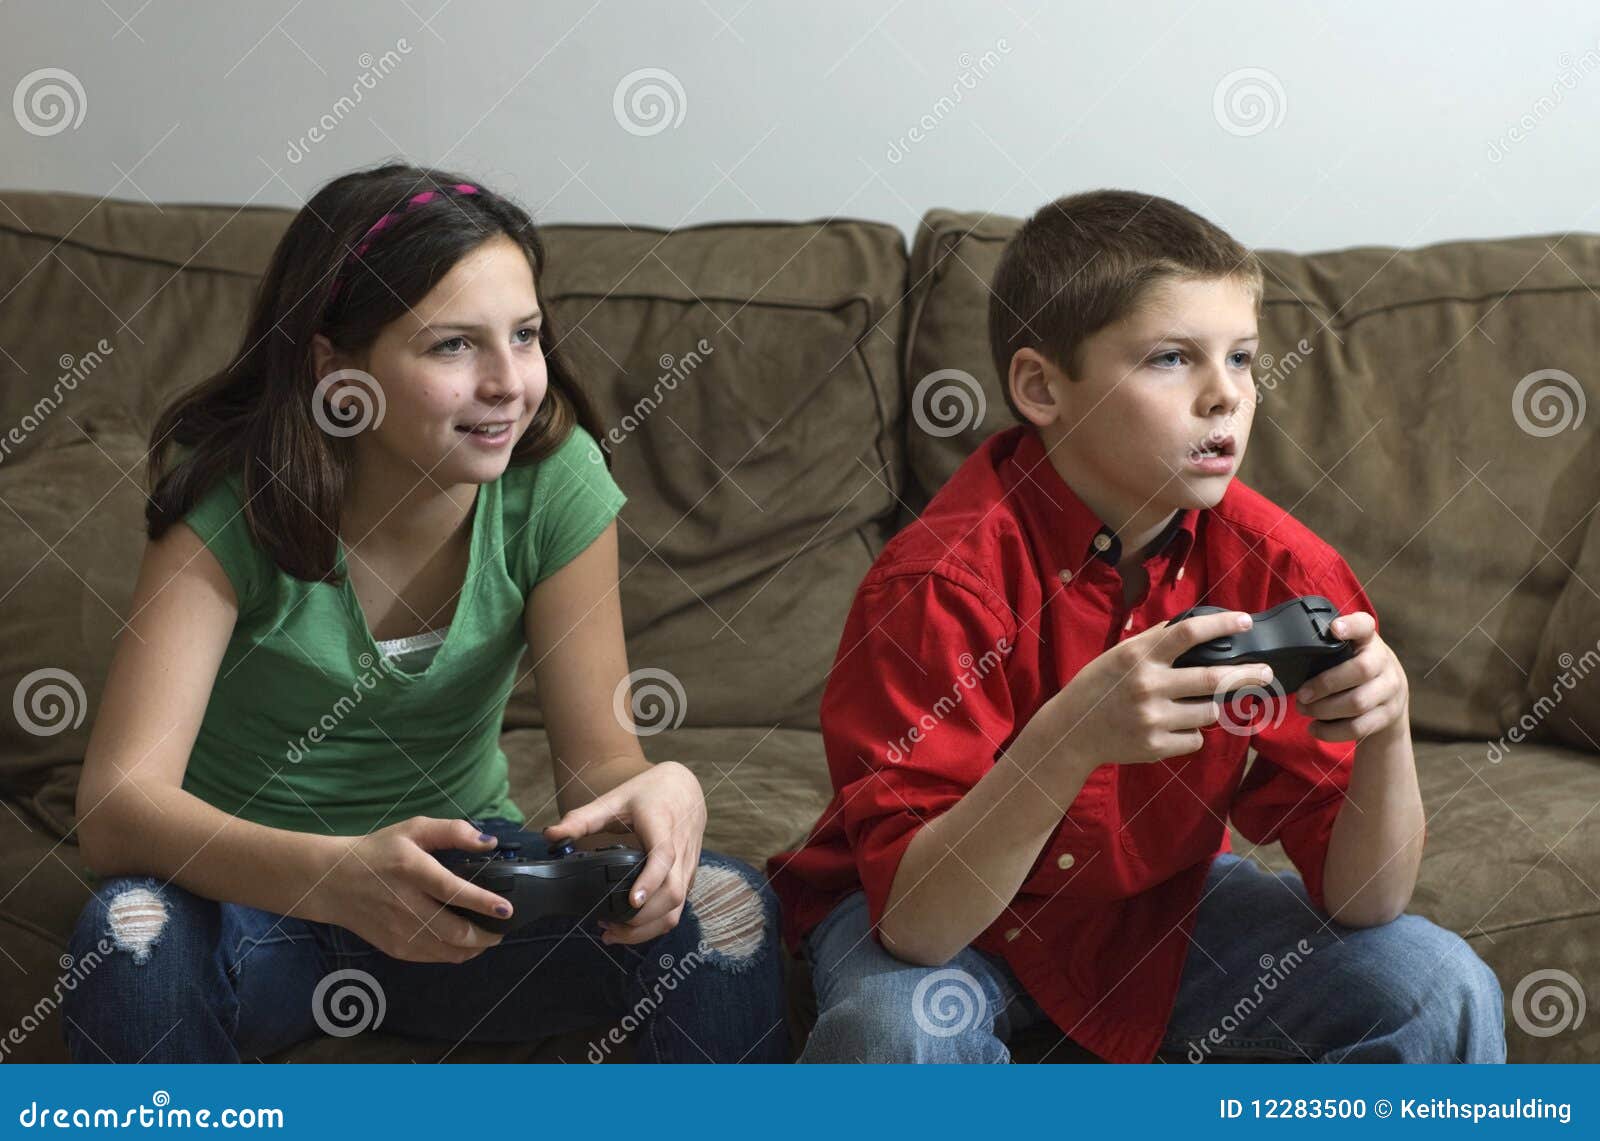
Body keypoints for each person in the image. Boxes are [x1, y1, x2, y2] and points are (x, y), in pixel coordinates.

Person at [63, 163, 787, 1064]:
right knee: (126, 936)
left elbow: (596, 769)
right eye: (452, 347)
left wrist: (658, 792)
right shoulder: (233, 505)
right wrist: (338, 878)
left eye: (525, 336)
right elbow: (118, 811)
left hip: (469, 894)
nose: (509, 383)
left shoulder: (552, 483)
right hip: (260, 903)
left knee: (727, 909)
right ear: (337, 368)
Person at [770, 190, 1504, 1064]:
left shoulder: (1283, 569)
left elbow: (1367, 904)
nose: (1224, 396)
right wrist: (1068, 740)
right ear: (1042, 387)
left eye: (1242, 359)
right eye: (1171, 359)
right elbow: (920, 928)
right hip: (948, 917)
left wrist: (1389, 732)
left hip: (1153, 905)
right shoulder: (935, 583)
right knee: (895, 1036)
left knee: (1434, 981)